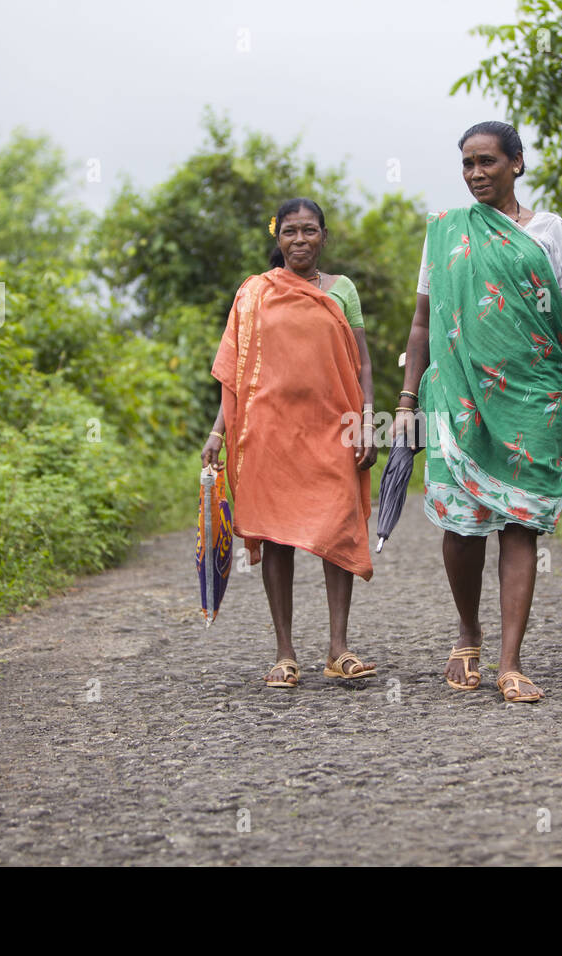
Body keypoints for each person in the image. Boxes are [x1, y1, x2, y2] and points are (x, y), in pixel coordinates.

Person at [394, 121, 562, 702]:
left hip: (533, 397)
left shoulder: (550, 233)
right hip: (457, 393)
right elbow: (420, 321)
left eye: (487, 161)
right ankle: (468, 630)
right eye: (467, 164)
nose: (476, 173)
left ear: (516, 164)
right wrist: (407, 400)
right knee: (462, 525)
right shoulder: (445, 233)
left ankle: (510, 661)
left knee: (520, 522)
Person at [203, 198, 379, 688]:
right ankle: (284, 653)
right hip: (269, 432)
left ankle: (338, 648)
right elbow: (234, 373)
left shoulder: (342, 291)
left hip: (333, 427)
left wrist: (368, 421)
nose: (299, 241)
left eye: (309, 231)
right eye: (290, 232)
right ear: (276, 237)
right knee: (277, 535)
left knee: (339, 525)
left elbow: (363, 363)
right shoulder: (254, 293)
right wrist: (218, 432)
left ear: (325, 236)